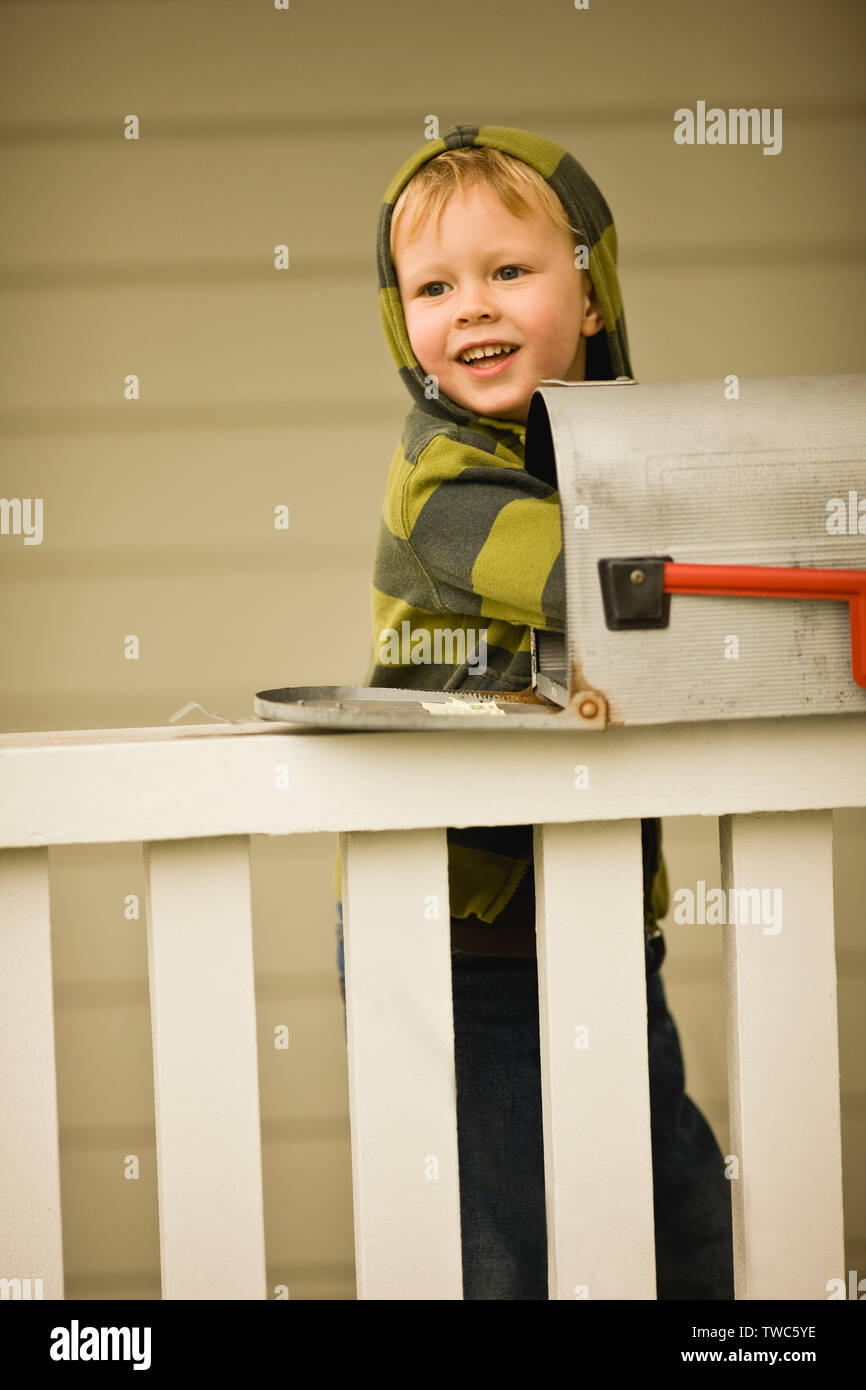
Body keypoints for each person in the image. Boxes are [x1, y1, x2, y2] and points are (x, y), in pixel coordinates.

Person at [334, 122, 734, 1299]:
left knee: (682, 1223)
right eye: (433, 286)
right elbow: (592, 580)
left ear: (591, 294)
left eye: (509, 271)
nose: (472, 308)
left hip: (600, 917)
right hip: (467, 941)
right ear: (399, 320)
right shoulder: (444, 475)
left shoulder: (599, 454)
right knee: (503, 1249)